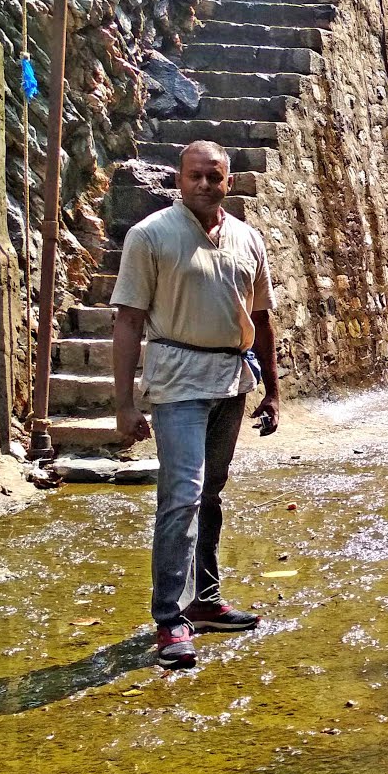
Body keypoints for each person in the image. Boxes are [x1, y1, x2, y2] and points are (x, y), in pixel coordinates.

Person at [111, 140, 281, 669]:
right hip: (177, 379)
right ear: (179, 180)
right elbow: (128, 321)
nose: (205, 184)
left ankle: (204, 601)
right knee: (181, 494)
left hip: (232, 380)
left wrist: (273, 391)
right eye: (195, 176)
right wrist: (123, 403)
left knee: (211, 493)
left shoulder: (247, 239)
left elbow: (263, 320)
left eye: (215, 176)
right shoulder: (151, 236)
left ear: (228, 181)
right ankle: (169, 620)